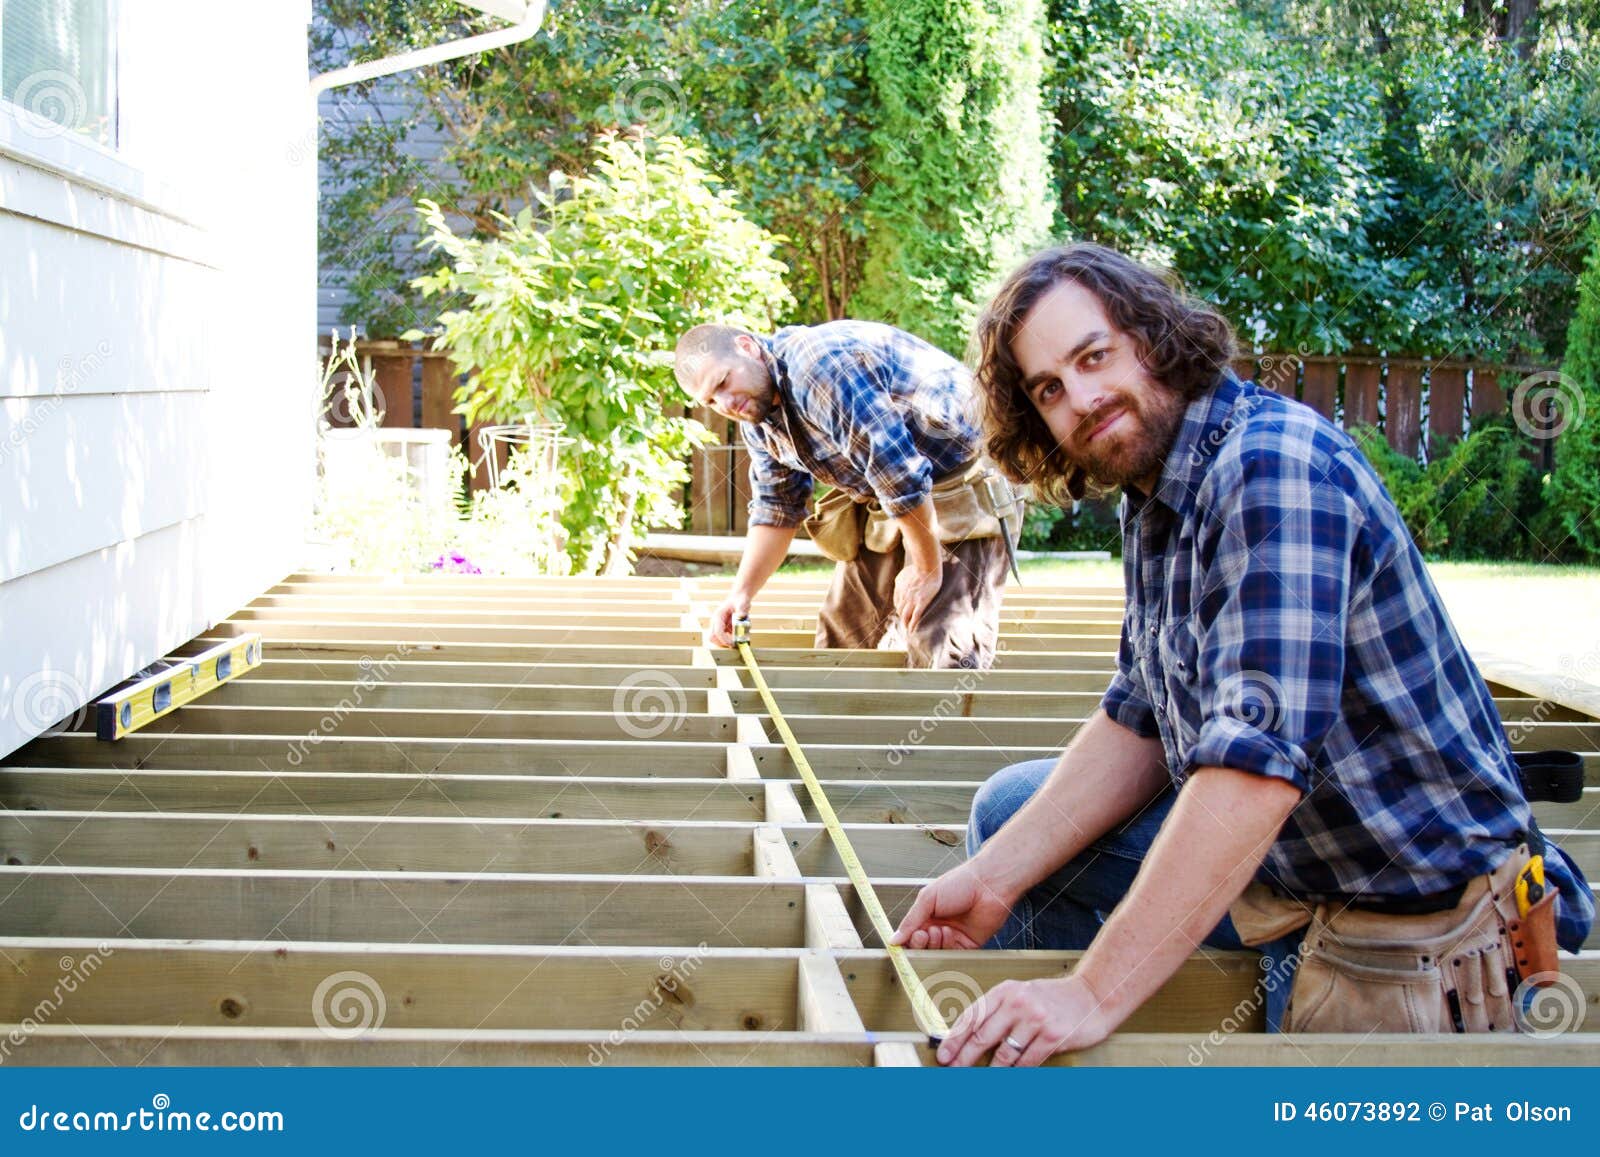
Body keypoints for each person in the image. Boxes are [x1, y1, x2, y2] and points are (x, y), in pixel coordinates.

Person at [892, 243, 1594, 1066]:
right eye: (1051, 388)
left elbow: (1252, 775)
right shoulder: (1155, 493)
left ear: (1152, 335)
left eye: (1094, 356)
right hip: (1295, 868)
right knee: (1011, 814)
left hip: (1412, 906)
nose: (1082, 398)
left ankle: (1108, 1021)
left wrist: (1092, 991)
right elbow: (1141, 717)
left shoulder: (1271, 474)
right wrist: (995, 878)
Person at [673, 320, 1020, 669]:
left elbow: (898, 474)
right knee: (844, 634)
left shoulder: (817, 368)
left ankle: (944, 714)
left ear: (747, 347)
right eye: (712, 400)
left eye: (723, 381)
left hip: (960, 482)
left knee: (941, 643)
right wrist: (740, 595)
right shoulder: (759, 419)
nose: (727, 403)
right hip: (889, 501)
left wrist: (927, 570)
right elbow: (777, 508)